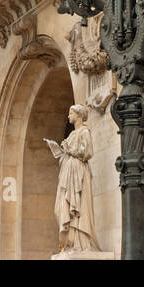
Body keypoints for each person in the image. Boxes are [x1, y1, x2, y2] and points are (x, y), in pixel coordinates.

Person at [47, 104, 100, 252]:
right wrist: (58, 150)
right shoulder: (71, 135)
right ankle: (70, 242)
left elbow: (88, 152)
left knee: (78, 207)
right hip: (68, 173)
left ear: (78, 115)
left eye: (71, 113)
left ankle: (81, 242)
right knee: (60, 208)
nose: (69, 115)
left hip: (78, 172)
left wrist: (68, 149)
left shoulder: (84, 131)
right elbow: (66, 154)